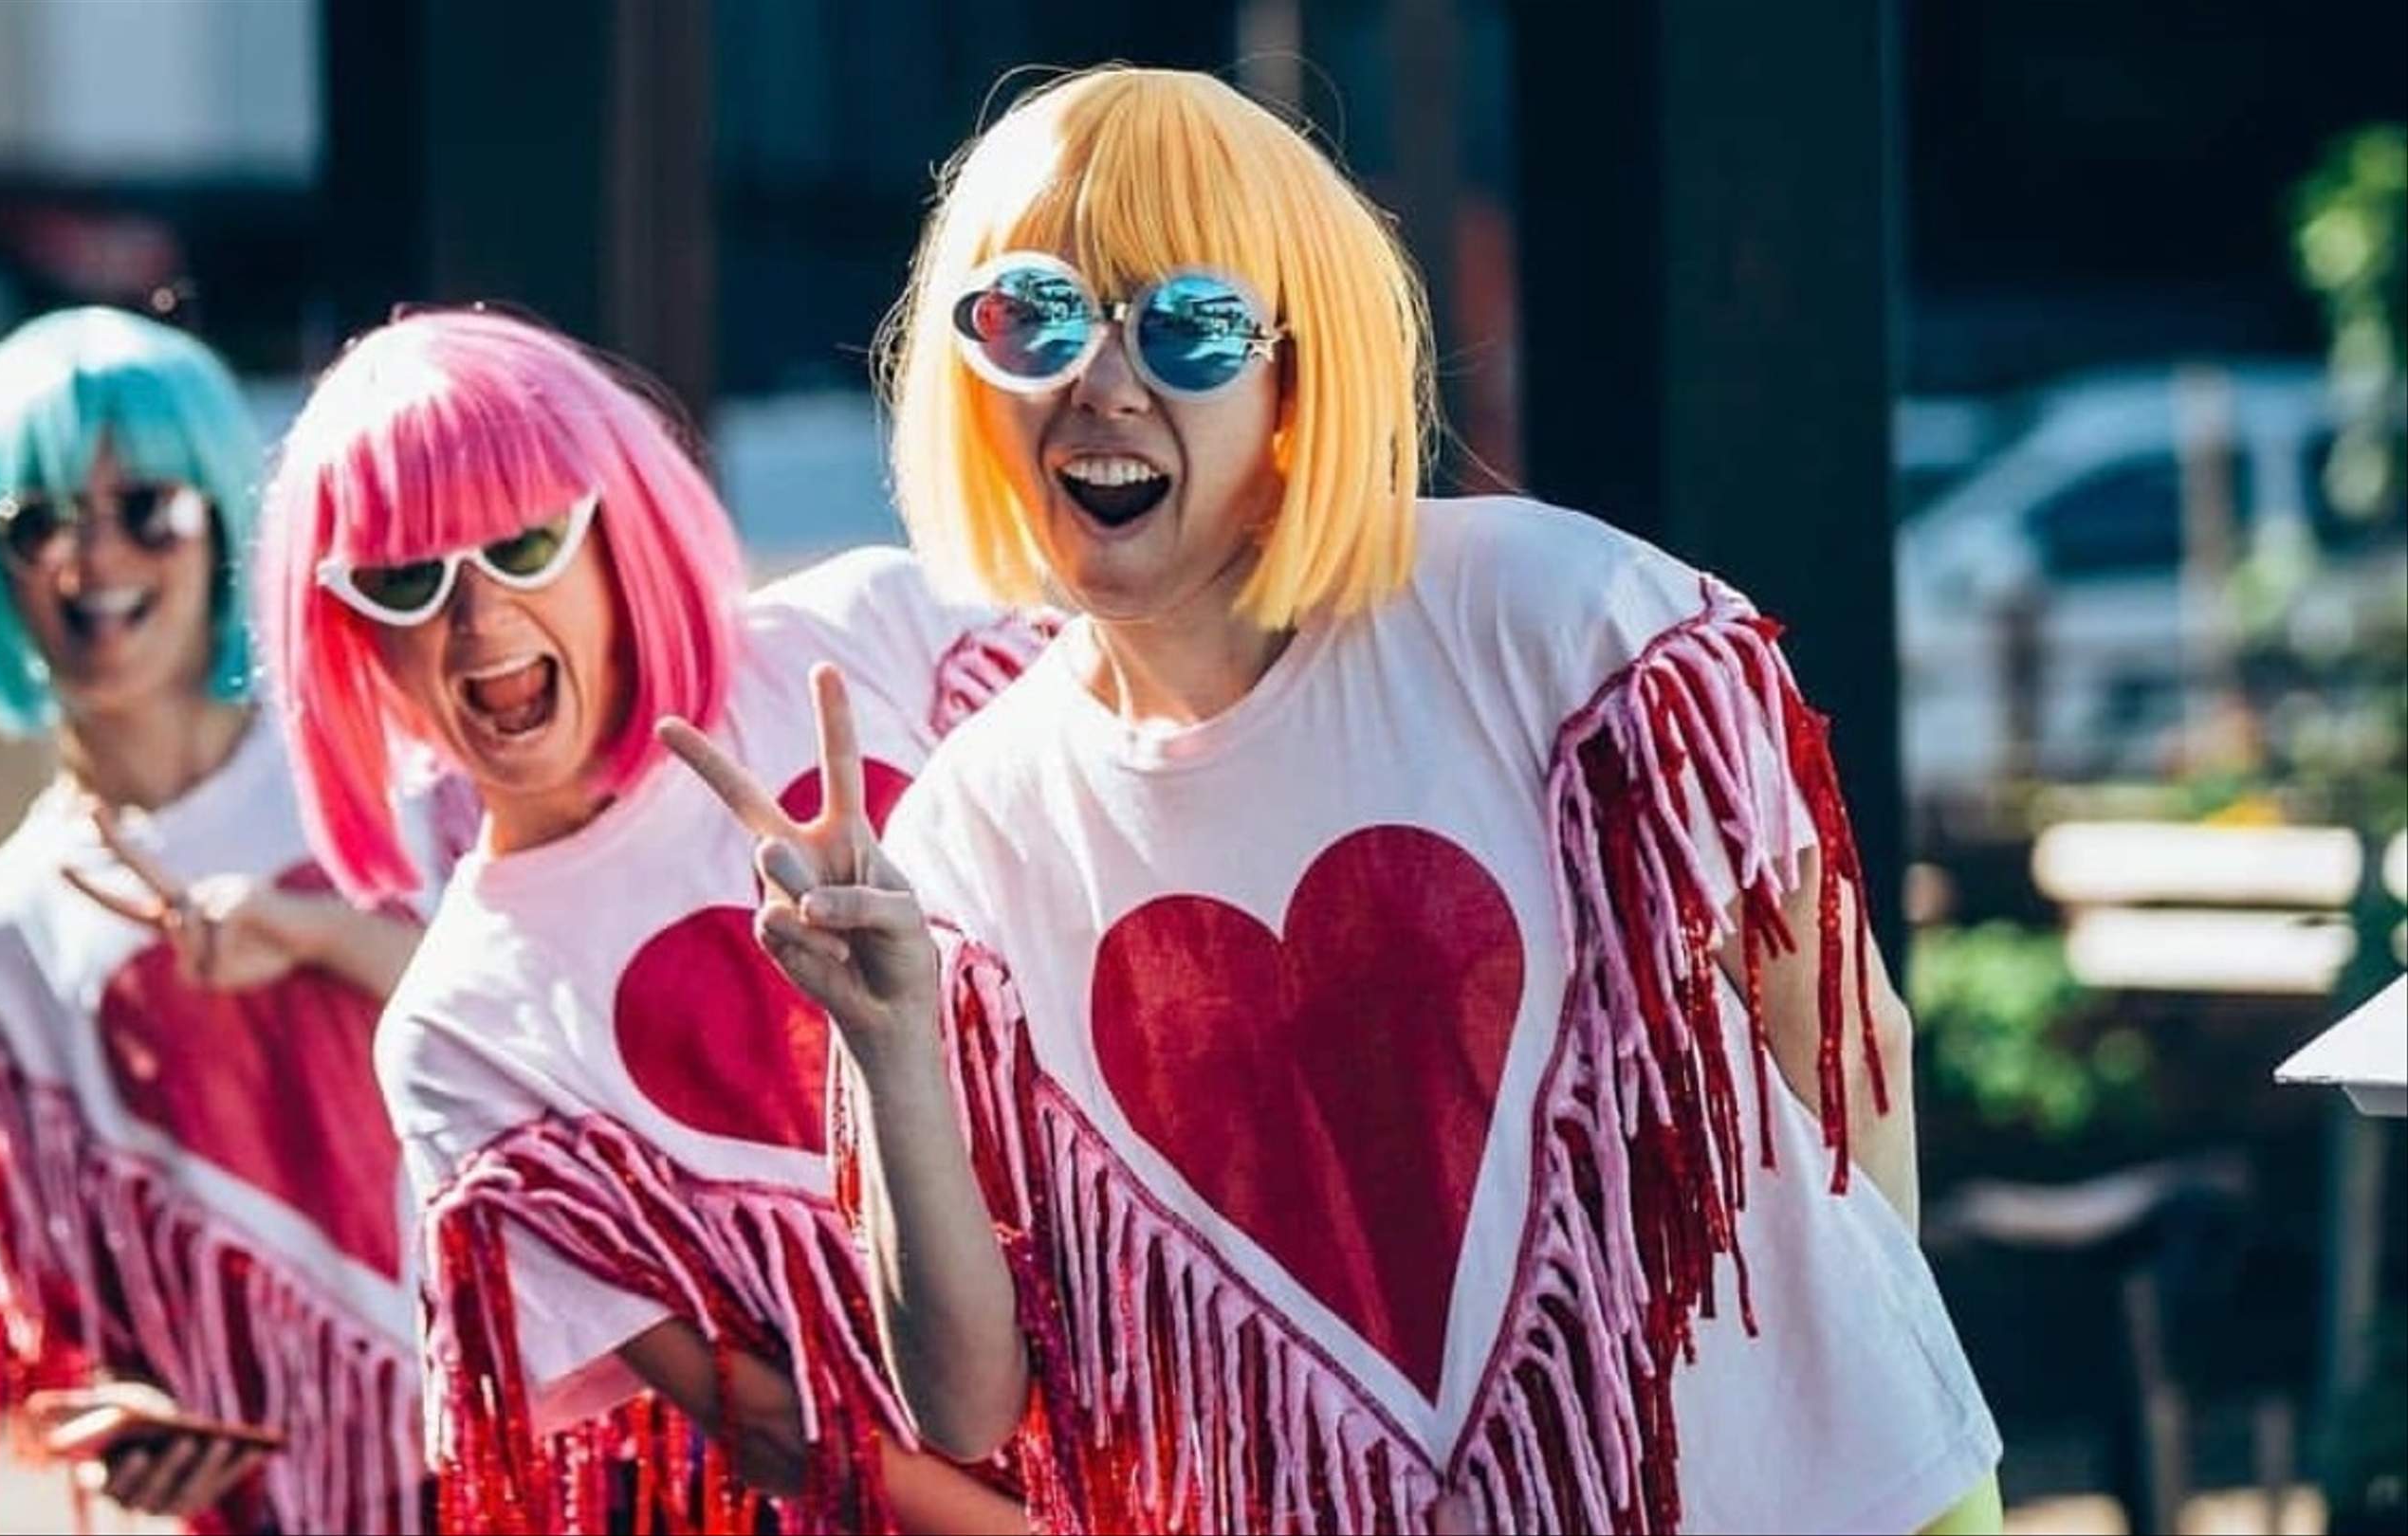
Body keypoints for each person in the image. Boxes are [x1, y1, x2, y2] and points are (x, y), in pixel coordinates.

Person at [665, 66, 2007, 1534]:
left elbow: (1838, 1035)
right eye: (1033, 315)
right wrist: (890, 1044)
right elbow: (967, 1404)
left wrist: (1858, 1388)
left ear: (1295, 381)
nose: (1102, 381)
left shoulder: (1564, 623)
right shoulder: (966, 837)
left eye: (1190, 326)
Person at [258, 308, 1041, 1533]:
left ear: (616, 527)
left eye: (523, 542)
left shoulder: (867, 641)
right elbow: (781, 1431)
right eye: (408, 577)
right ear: (350, 630)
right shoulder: (461, 1032)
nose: (477, 617)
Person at [0, 307, 436, 1533]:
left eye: (148, 506)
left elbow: (551, 1054)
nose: (92, 563)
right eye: (35, 523)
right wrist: (116, 1433)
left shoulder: (399, 766)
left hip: (563, 1460)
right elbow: (50, 1343)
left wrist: (320, 938)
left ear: (221, 515)